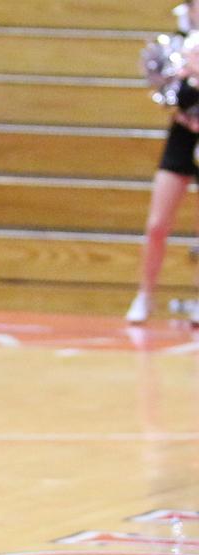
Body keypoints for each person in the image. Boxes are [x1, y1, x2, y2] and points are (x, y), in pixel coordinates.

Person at [129, 1, 199, 326]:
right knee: (157, 224)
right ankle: (145, 294)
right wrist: (189, 76)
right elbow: (173, 98)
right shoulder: (175, 46)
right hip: (183, 135)